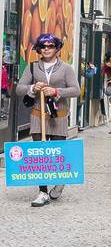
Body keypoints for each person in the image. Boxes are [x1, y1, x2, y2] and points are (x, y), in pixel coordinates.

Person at [16, 34, 80, 207]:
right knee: (41, 155)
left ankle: (60, 182)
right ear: (39, 49)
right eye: (43, 46)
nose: (46, 49)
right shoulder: (32, 67)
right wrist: (32, 87)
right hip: (38, 116)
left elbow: (75, 90)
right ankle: (43, 192)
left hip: (58, 116)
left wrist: (57, 91)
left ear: (56, 48)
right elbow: (19, 89)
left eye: (50, 46)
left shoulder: (66, 68)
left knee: (58, 153)